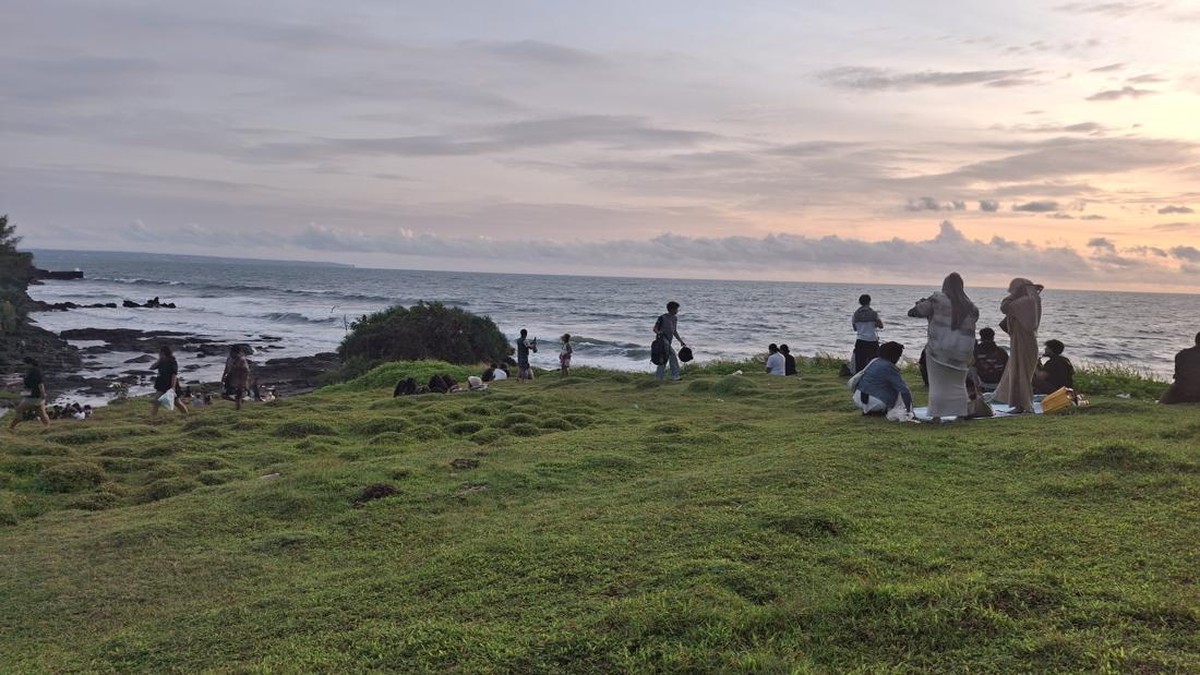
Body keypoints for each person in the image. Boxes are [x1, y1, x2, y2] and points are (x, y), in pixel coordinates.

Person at [907, 272, 979, 418]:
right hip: (963, 351)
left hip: (939, 349)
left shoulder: (937, 299)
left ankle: (936, 415)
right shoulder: (971, 307)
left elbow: (914, 313)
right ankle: (961, 413)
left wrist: (920, 303)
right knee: (958, 385)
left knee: (937, 385)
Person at [993, 278, 1043, 413]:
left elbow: (1004, 307)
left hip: (1024, 343)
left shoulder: (1025, 302)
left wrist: (1012, 296)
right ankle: (1019, 405)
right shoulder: (1031, 301)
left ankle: (1026, 406)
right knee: (1018, 374)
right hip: (1021, 342)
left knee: (1022, 375)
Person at [850, 341, 913, 416]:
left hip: (858, 398)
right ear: (894, 356)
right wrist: (909, 410)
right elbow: (904, 391)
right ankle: (879, 410)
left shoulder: (874, 361)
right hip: (875, 402)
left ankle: (870, 410)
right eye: (899, 356)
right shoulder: (889, 367)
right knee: (901, 391)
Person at [8, 357, 50, 430]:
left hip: (34, 396)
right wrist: (13, 383)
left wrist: (43, 393)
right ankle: (47, 428)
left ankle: (12, 427)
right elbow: (25, 381)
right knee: (42, 413)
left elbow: (40, 383)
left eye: (25, 364)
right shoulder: (31, 371)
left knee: (19, 410)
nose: (24, 365)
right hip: (32, 394)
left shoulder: (35, 371)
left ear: (29, 364)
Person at [1160, 332, 1200, 404]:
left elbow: (1178, 375)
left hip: (1181, 391)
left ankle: (1161, 403)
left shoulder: (1182, 354)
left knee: (1171, 389)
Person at [150, 345, 189, 417]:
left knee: (177, 402)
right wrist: (159, 360)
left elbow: (174, 375)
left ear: (163, 352)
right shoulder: (161, 361)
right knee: (156, 401)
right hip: (161, 384)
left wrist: (173, 387)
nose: (159, 354)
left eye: (160, 352)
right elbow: (152, 367)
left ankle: (186, 415)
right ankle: (153, 418)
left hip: (170, 384)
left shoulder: (172, 362)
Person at [653, 301, 687, 381]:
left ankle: (659, 378)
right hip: (662, 341)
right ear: (671, 309)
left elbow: (674, 331)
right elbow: (655, 329)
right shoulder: (662, 318)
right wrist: (659, 332)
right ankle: (675, 376)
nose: (677, 311)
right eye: (676, 309)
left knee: (663, 359)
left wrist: (681, 341)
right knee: (673, 355)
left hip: (669, 341)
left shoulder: (674, 318)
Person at [852, 294, 885, 374]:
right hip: (872, 340)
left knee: (860, 364)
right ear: (869, 301)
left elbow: (855, 328)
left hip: (860, 340)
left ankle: (859, 381)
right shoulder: (873, 313)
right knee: (874, 362)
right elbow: (881, 326)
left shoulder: (855, 314)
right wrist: (873, 324)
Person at [973, 327, 1009, 391]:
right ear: (993, 337)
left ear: (981, 338)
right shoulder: (1001, 351)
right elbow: (1008, 368)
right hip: (1000, 384)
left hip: (983, 384)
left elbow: (973, 369)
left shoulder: (976, 351)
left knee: (969, 366)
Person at [221, 345, 252, 410]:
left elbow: (246, 371)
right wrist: (224, 376)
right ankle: (241, 401)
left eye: (232, 352)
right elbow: (226, 367)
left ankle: (238, 408)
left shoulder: (241, 360)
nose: (231, 353)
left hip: (239, 381)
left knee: (238, 396)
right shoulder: (229, 358)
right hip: (230, 379)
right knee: (224, 395)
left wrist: (244, 382)